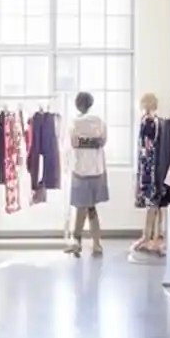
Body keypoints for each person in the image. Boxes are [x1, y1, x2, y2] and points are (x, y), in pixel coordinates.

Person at [66, 91, 109, 257]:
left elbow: (74, 143)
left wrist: (84, 142)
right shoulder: (99, 121)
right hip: (97, 170)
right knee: (91, 208)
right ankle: (96, 244)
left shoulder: (75, 123)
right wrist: (93, 142)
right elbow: (103, 142)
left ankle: (76, 240)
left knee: (81, 207)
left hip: (80, 170)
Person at [132, 92, 166, 256]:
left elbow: (146, 147)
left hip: (149, 166)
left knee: (152, 203)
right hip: (155, 165)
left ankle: (148, 237)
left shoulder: (148, 121)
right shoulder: (158, 121)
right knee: (157, 203)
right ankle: (155, 237)